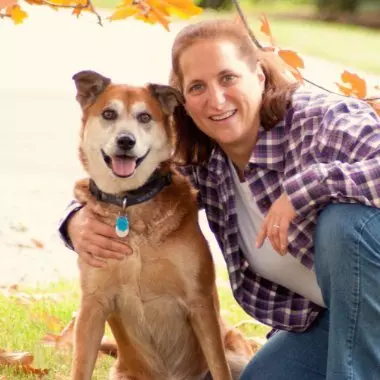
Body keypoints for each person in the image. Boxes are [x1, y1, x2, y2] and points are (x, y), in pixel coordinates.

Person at [58, 19, 380, 380]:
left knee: (344, 222)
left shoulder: (321, 121)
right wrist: (74, 220)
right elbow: (138, 184)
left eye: (228, 78)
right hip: (332, 320)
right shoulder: (206, 165)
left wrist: (305, 189)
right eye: (197, 87)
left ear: (258, 76)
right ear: (183, 102)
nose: (216, 99)